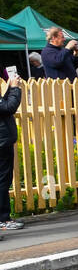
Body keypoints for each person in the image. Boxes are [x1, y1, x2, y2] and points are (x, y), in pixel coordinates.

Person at [0, 68, 24, 232]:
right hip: (1, 141)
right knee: (2, 181)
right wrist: (15, 88)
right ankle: (3, 219)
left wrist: (9, 87)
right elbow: (8, 108)